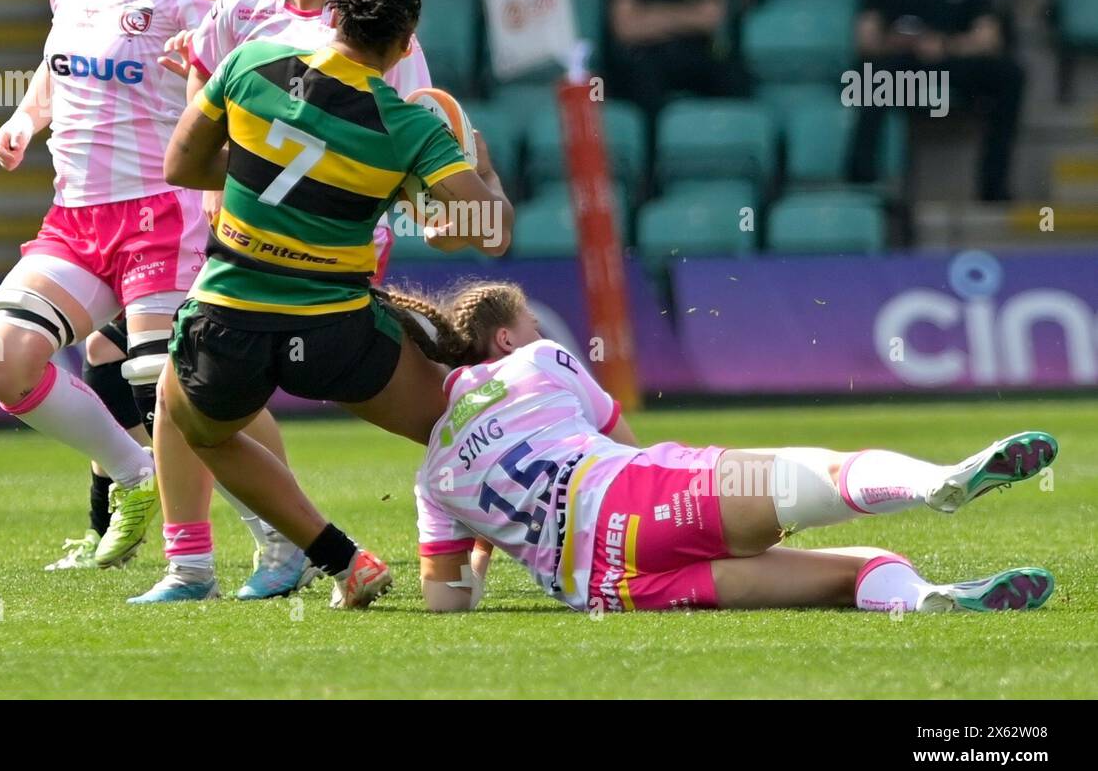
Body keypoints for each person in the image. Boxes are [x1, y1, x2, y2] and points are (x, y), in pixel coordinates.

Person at [148, 0, 513, 607]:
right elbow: (492, 234)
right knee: (455, 430)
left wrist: (261, 178)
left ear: (335, 16)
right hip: (336, 330)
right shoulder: (409, 127)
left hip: (230, 314)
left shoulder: (250, 63)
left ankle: (343, 561)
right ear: (405, 46)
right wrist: (484, 174)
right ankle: (567, 533)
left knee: (199, 428)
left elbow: (181, 163)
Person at [129, 0, 436, 603]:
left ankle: (277, 555)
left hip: (336, 253)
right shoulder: (243, 8)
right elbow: (206, 83)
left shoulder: (386, 35)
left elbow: (413, 138)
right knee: (189, 391)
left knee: (192, 393)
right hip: (241, 238)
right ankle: (209, 562)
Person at [388, 280, 1057, 614]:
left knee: (856, 571)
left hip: (613, 588)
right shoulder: (536, 362)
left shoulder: (433, 478)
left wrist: (484, 536)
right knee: (831, 472)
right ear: (502, 339)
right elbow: (621, 442)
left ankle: (928, 599)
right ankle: (936, 482)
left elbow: (449, 603)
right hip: (643, 496)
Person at [0, 0, 218, 569]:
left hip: (157, 213)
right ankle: (134, 474)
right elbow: (59, 67)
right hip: (76, 216)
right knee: (4, 357)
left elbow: (224, 102)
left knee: (166, 385)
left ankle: (281, 538)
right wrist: (24, 119)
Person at [56, 0, 290, 577]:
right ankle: (121, 513)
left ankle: (278, 531)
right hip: (111, 209)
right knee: (113, 357)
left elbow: (263, 99)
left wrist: (233, 186)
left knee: (186, 376)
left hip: (185, 212)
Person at [849, 0, 1024, 202]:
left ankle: (993, 186)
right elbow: (866, 38)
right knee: (867, 75)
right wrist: (904, 43)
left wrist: (944, 45)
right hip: (906, 69)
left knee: (1010, 74)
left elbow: (989, 37)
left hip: (955, 65)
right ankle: (862, 181)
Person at [606, 0, 739, 176]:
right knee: (638, 77)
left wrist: (652, 17)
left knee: (732, 72)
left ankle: (722, 158)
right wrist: (685, 17)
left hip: (696, 57)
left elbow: (711, 17)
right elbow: (625, 27)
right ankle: (652, 171)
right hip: (648, 62)